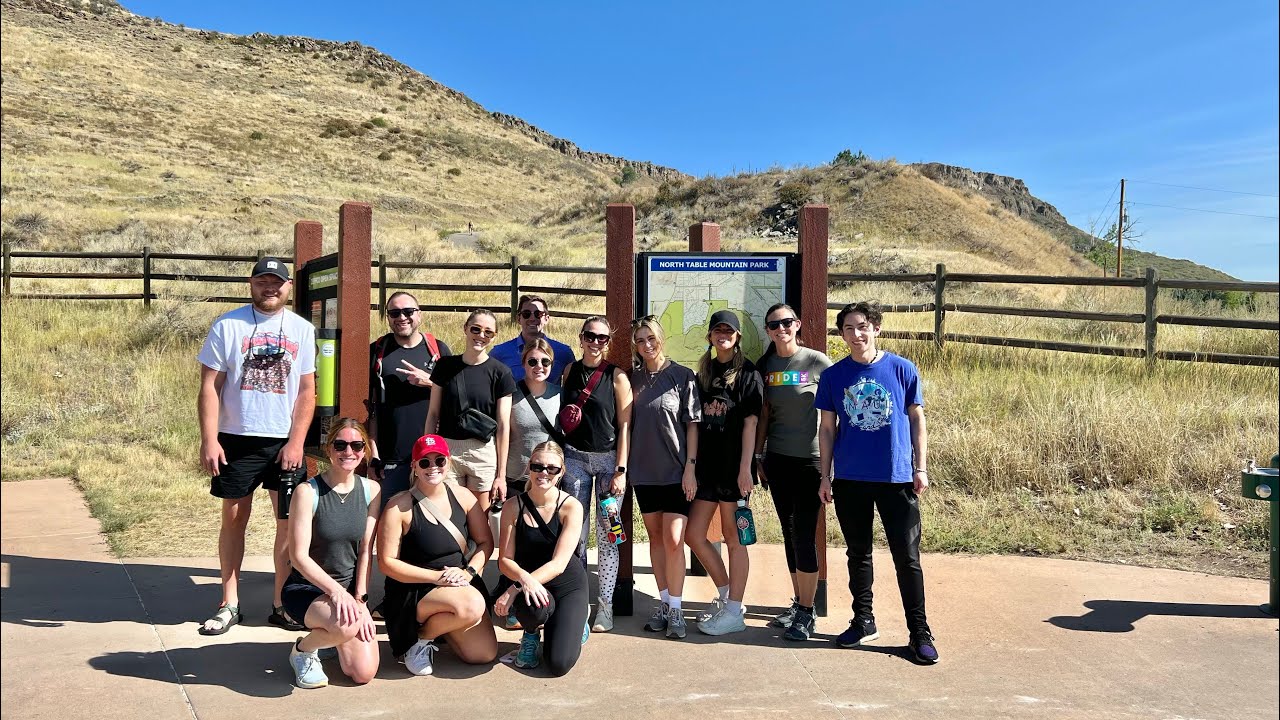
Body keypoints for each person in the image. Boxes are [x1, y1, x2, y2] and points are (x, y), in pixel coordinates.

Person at [196, 257, 316, 635]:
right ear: (251, 284)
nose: (270, 288)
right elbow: (210, 386)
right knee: (234, 521)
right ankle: (229, 602)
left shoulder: (302, 329)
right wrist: (210, 439)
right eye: (263, 281)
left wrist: (296, 442)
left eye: (277, 282)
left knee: (288, 523)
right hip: (237, 437)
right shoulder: (228, 325)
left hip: (283, 441)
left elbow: (307, 391)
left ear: (288, 287)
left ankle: (282, 603)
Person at [816, 301, 939, 664]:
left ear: (876, 329)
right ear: (842, 334)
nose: (856, 334)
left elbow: (917, 419)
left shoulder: (902, 369)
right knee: (858, 554)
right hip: (851, 477)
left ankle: (919, 632)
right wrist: (825, 476)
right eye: (848, 328)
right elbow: (827, 429)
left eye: (862, 326)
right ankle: (863, 620)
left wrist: (920, 467)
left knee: (907, 557)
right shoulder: (834, 376)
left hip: (895, 477)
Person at [378, 434, 497, 676]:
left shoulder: (464, 497)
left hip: (459, 582)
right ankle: (417, 640)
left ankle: (442, 627)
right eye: (425, 462)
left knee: (483, 654)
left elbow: (486, 543)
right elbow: (387, 563)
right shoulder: (398, 507)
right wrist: (437, 578)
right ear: (414, 466)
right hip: (416, 589)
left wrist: (469, 572)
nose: (433, 467)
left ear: (448, 462)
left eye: (439, 460)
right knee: (472, 605)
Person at [282, 418, 381, 689]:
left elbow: (365, 550)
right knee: (345, 626)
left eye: (356, 445)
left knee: (362, 673)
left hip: (348, 594)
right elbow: (299, 557)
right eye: (340, 445)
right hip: (308, 589)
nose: (348, 452)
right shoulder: (307, 492)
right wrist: (337, 592)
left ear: (364, 450)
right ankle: (303, 651)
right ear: (329, 449)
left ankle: (331, 636)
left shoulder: (371, 490)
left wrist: (360, 600)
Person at [755, 303, 832, 641]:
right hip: (778, 460)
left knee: (803, 534)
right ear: (768, 331)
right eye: (774, 325)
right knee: (788, 532)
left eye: (786, 323)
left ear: (797, 324)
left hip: (810, 462)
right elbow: (764, 414)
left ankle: (807, 610)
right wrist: (758, 456)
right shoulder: (765, 366)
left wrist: (830, 466)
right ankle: (799, 602)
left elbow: (833, 416)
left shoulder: (817, 362)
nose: (781, 329)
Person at [686, 310, 764, 636]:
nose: (723, 335)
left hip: (733, 470)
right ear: (710, 336)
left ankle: (734, 611)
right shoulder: (703, 372)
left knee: (734, 539)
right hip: (706, 468)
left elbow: (751, 423)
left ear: (737, 336)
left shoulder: (748, 373)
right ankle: (726, 596)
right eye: (718, 330)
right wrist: (691, 467)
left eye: (729, 331)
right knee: (694, 535)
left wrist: (746, 469)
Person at [628, 316, 701, 639]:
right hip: (643, 472)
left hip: (676, 472)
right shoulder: (632, 379)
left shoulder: (683, 376)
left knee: (674, 539)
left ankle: (677, 609)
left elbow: (692, 425)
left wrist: (691, 467)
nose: (647, 345)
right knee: (656, 540)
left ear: (661, 338)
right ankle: (663, 604)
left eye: (651, 338)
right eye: (640, 341)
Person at [558, 316, 632, 633]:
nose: (595, 342)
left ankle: (605, 607)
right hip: (574, 459)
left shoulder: (617, 377)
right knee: (575, 534)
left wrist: (621, 470)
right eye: (590, 336)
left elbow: (625, 425)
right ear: (581, 337)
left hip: (608, 464)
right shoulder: (569, 371)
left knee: (608, 536)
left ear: (608, 342)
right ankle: (578, 605)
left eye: (602, 338)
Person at [493, 441, 589, 675]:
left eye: (551, 468)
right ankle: (531, 633)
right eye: (538, 466)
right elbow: (505, 560)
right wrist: (524, 582)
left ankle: (576, 622)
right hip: (532, 588)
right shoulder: (513, 506)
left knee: (559, 664)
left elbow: (558, 564)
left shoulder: (571, 507)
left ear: (561, 472)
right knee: (533, 607)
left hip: (567, 586)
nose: (543, 473)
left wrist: (515, 587)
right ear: (529, 467)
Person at [424, 309, 516, 513]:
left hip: (482, 451)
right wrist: (427, 452)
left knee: (480, 517)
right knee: (448, 513)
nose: (481, 335)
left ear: (494, 336)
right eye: (476, 329)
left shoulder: (501, 373)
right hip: (448, 449)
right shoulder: (445, 366)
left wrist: (501, 475)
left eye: (488, 332)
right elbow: (433, 414)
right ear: (465, 329)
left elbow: (503, 426)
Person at [368, 291, 452, 506]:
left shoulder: (439, 350)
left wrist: (430, 382)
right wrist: (373, 456)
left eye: (408, 311)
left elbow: (456, 398)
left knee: (430, 520)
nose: (402, 317)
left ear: (419, 314)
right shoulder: (376, 352)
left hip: (431, 460)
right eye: (395, 313)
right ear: (387, 317)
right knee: (389, 520)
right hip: (390, 461)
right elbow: (370, 410)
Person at [490, 294, 576, 383]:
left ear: (546, 318)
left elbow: (575, 384)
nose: (532, 318)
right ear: (518, 318)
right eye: (526, 314)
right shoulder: (500, 352)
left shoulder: (563, 352)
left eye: (538, 314)